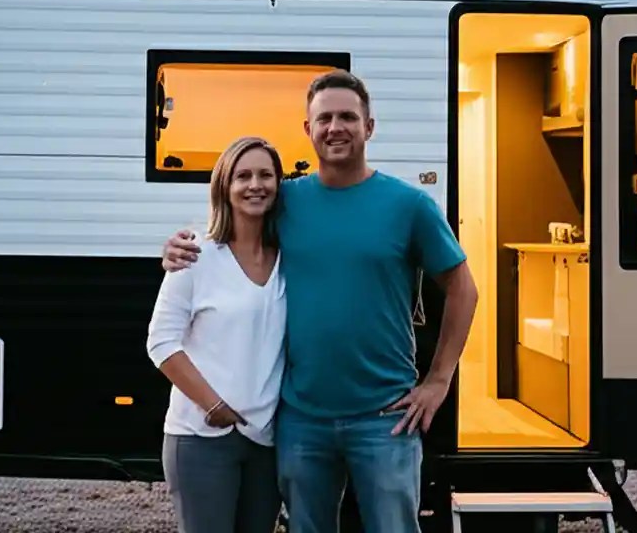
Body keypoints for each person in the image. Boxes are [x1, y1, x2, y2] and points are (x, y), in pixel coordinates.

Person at [161, 71, 479, 533]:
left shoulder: (409, 205)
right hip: (301, 419)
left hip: (386, 418)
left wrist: (439, 380)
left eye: (348, 117)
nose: (336, 127)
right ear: (307, 129)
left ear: (369, 126)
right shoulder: (285, 201)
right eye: (324, 118)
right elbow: (230, 219)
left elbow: (463, 288)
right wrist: (174, 247)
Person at [145, 136, 289, 533]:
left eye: (265, 175)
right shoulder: (195, 256)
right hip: (201, 435)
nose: (255, 184)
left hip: (266, 440)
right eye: (243, 175)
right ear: (224, 186)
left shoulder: (289, 260)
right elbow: (161, 341)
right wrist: (213, 406)